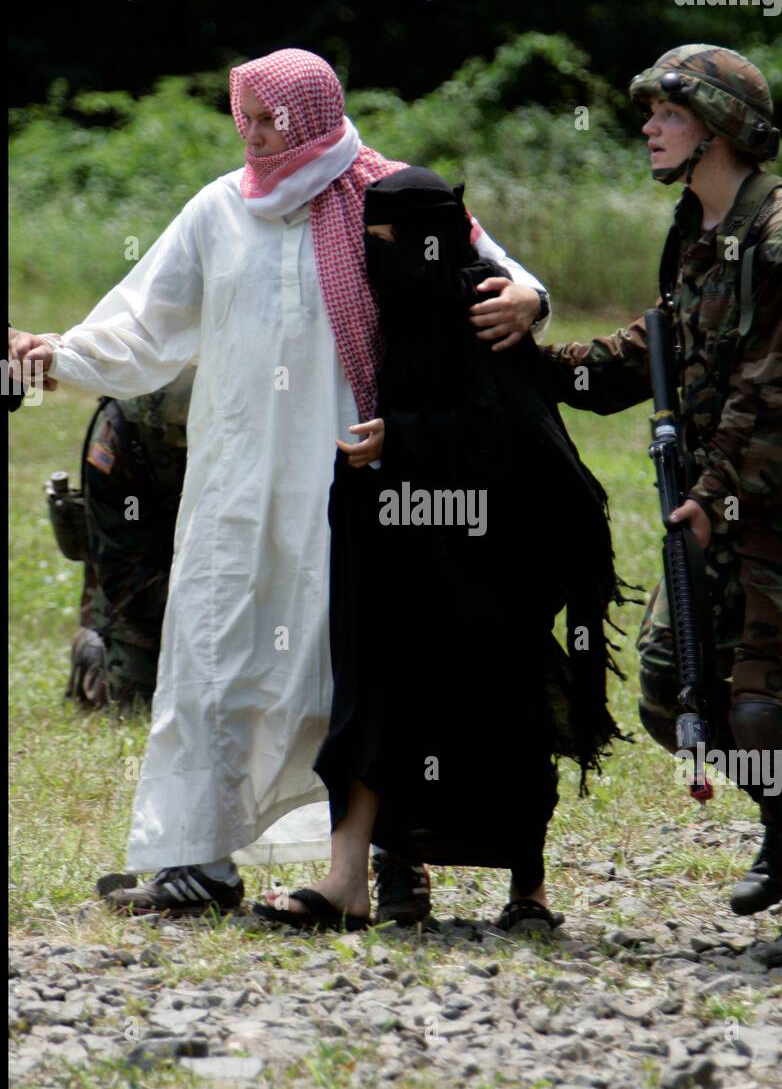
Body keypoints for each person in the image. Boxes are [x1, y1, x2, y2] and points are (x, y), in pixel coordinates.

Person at [14, 49, 552, 918]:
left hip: (350, 476)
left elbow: (496, 267)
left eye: (273, 121)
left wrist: (529, 299)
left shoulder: (384, 196)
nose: (256, 136)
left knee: (346, 667)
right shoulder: (221, 210)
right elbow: (145, 323)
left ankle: (381, 860)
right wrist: (59, 354)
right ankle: (200, 862)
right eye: (248, 118)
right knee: (215, 649)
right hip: (235, 476)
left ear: (314, 114)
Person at [542, 44, 782, 966]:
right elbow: (652, 350)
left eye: (666, 114)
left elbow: (777, 393)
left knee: (763, 705)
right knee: (666, 690)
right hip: (722, 506)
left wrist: (714, 496)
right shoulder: (699, 233)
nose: (648, 127)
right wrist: (530, 353)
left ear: (718, 128)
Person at [253, 167, 626, 932]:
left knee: (505, 717)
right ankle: (350, 879)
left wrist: (407, 440)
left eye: (388, 245)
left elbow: (514, 437)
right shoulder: (396, 318)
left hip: (492, 561)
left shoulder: (485, 307)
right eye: (369, 246)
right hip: (401, 552)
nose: (376, 262)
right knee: (374, 704)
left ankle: (529, 892)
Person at [53, 375, 193, 711]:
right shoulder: (119, 437)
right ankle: (93, 649)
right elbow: (123, 576)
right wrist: (205, 609)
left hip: (223, 579)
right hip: (147, 588)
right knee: (137, 703)